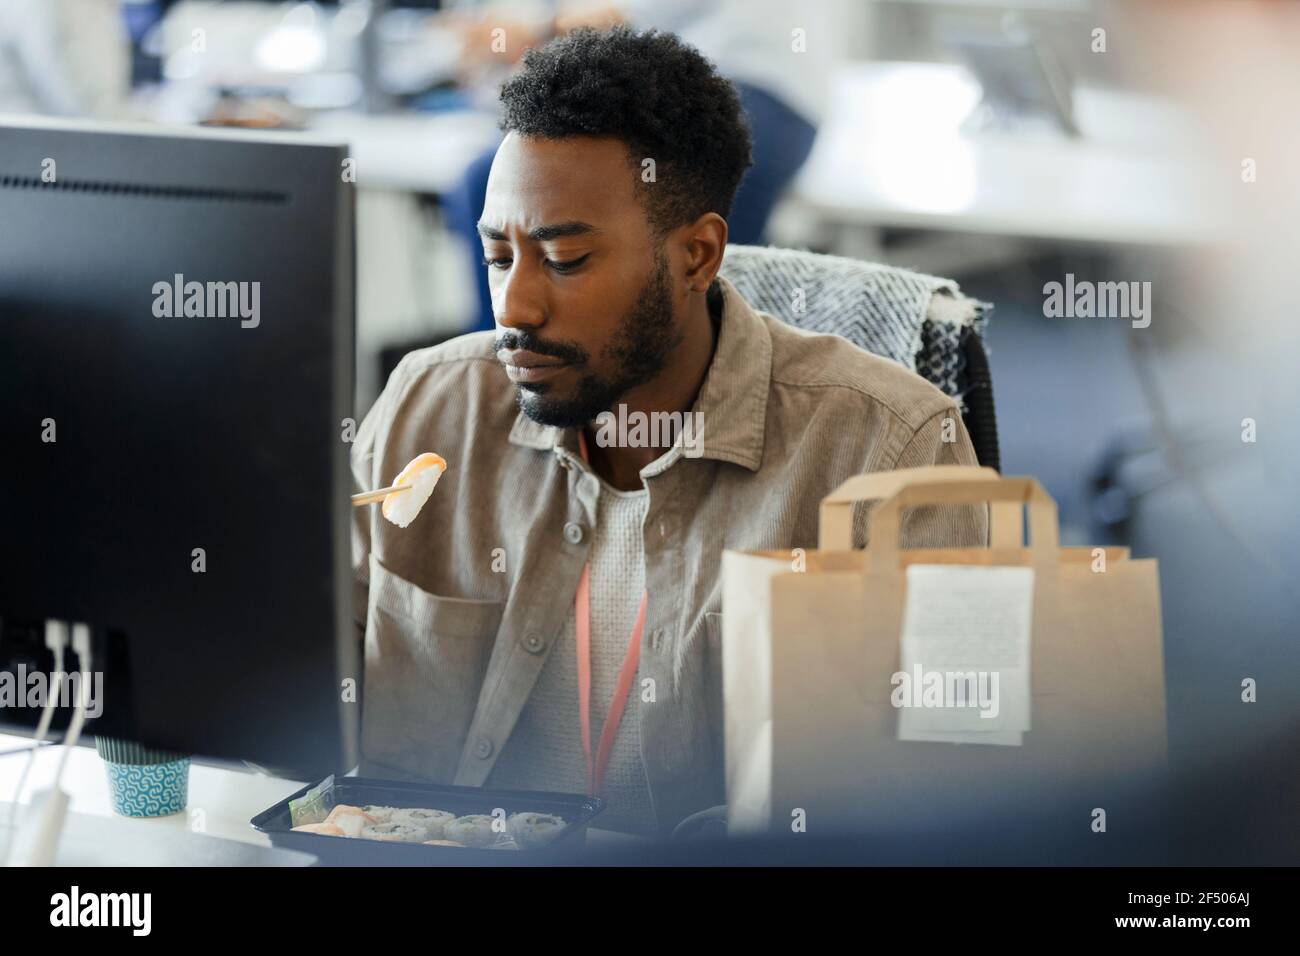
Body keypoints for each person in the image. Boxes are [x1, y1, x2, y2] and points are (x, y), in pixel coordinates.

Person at [352, 26, 985, 837]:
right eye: (499, 257)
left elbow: (967, 798)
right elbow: (301, 690)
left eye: (567, 260)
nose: (513, 309)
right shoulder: (427, 410)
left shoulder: (893, 452)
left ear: (697, 254)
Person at [441, 0, 825, 332]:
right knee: (485, 177)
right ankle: (505, 371)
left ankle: (692, 381)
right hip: (657, 85)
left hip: (759, 88)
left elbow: (635, 15)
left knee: (670, 230)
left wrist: (534, 29)